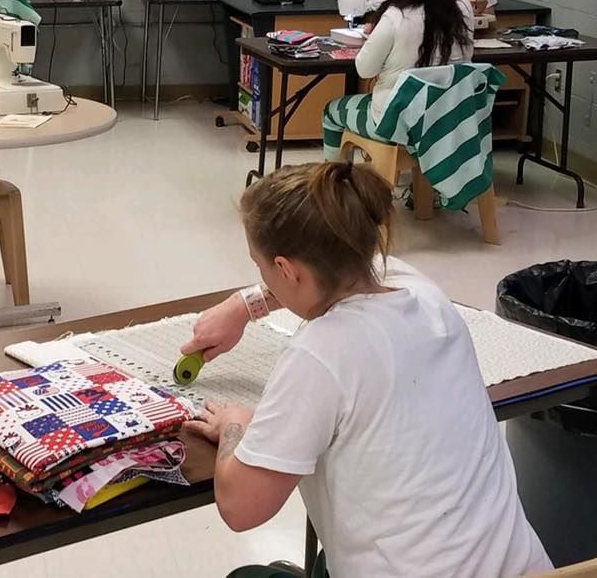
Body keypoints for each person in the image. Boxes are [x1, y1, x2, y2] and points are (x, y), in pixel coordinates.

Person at [181, 161, 552, 578]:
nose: (262, 276)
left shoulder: (321, 354)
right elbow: (344, 266)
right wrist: (242, 307)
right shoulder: (424, 294)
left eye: (260, 265)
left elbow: (240, 508)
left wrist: (236, 425)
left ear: (286, 269)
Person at [322, 0, 474, 160]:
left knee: (332, 111)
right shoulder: (463, 8)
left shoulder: (395, 16)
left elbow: (364, 70)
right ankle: (420, 188)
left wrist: (371, 40)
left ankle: (332, 188)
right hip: (447, 121)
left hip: (399, 125)